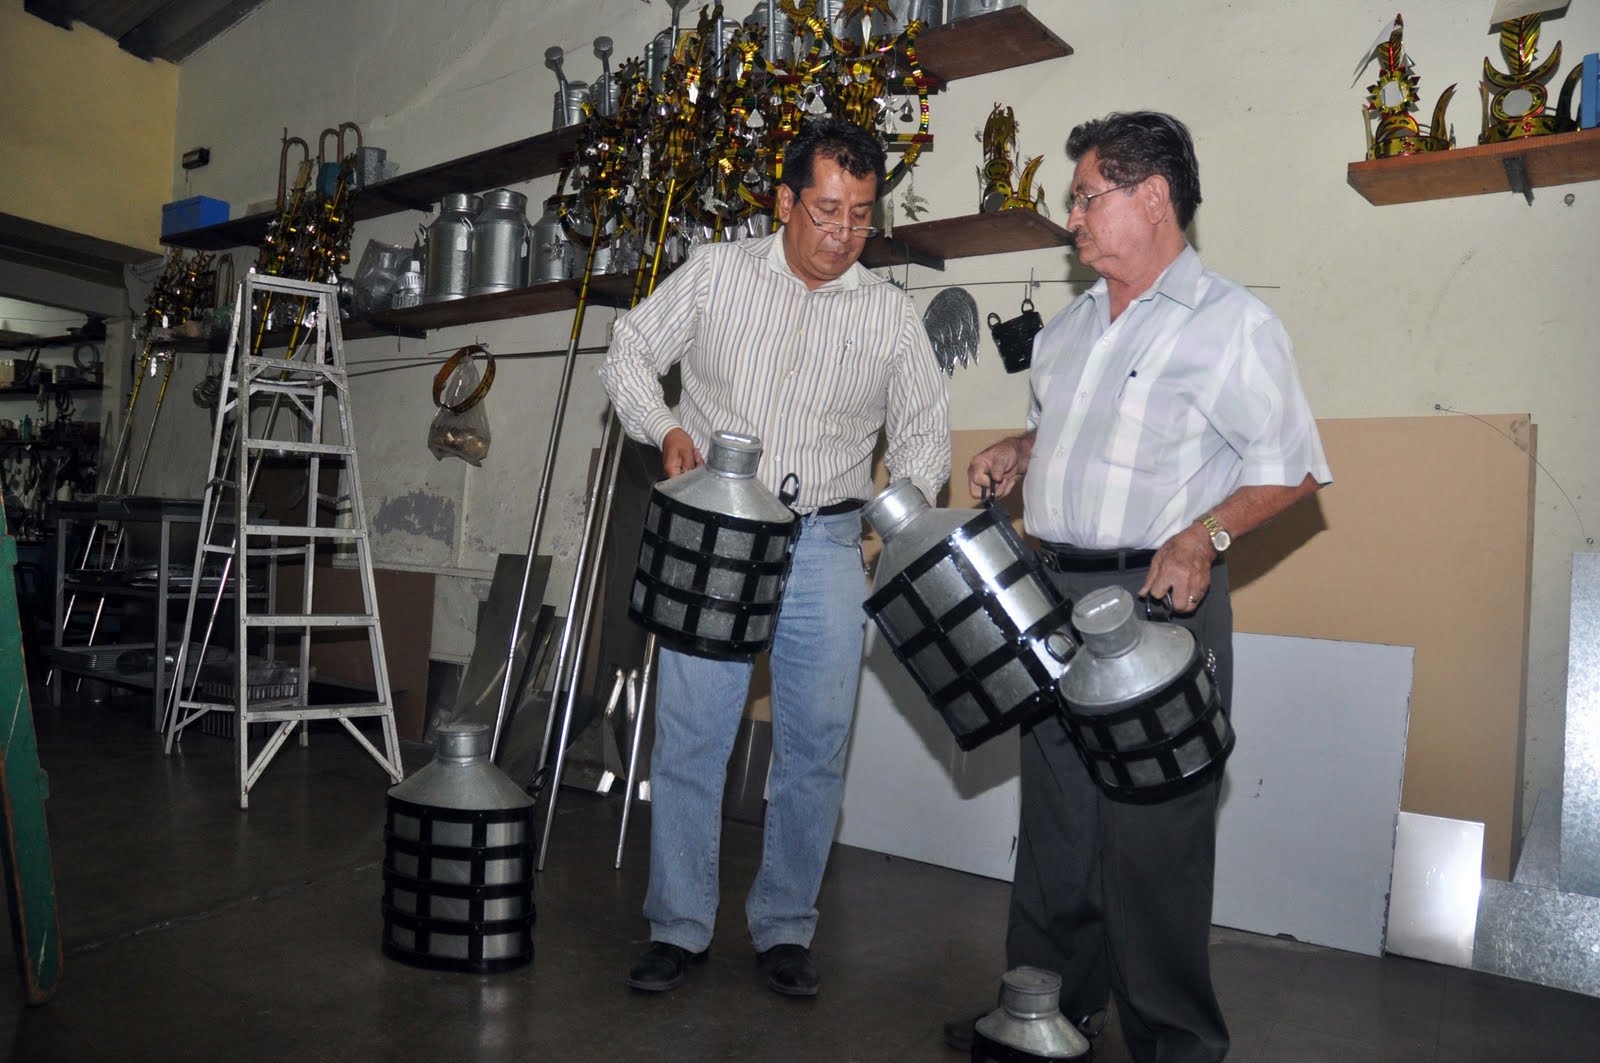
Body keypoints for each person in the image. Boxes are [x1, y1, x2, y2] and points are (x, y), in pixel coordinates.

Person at [951, 112, 1332, 1061]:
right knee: (1057, 830)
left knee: (1157, 837)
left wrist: (1205, 534)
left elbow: (1291, 469)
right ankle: (1046, 1014)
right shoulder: (1073, 329)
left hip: (1161, 608)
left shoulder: (1233, 325)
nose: (1071, 216)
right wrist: (1021, 447)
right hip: (1055, 594)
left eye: (1087, 195)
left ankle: (1174, 1041)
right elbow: (1076, 435)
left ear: (1152, 197)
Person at [599, 117, 950, 998]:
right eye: (826, 211)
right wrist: (666, 428)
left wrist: (902, 503)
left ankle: (785, 925)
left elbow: (923, 440)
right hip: (716, 535)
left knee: (816, 745)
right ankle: (678, 923)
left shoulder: (889, 315)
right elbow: (629, 349)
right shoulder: (719, 274)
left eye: (862, 217)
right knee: (692, 735)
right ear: (786, 200)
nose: (842, 236)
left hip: (829, 542)